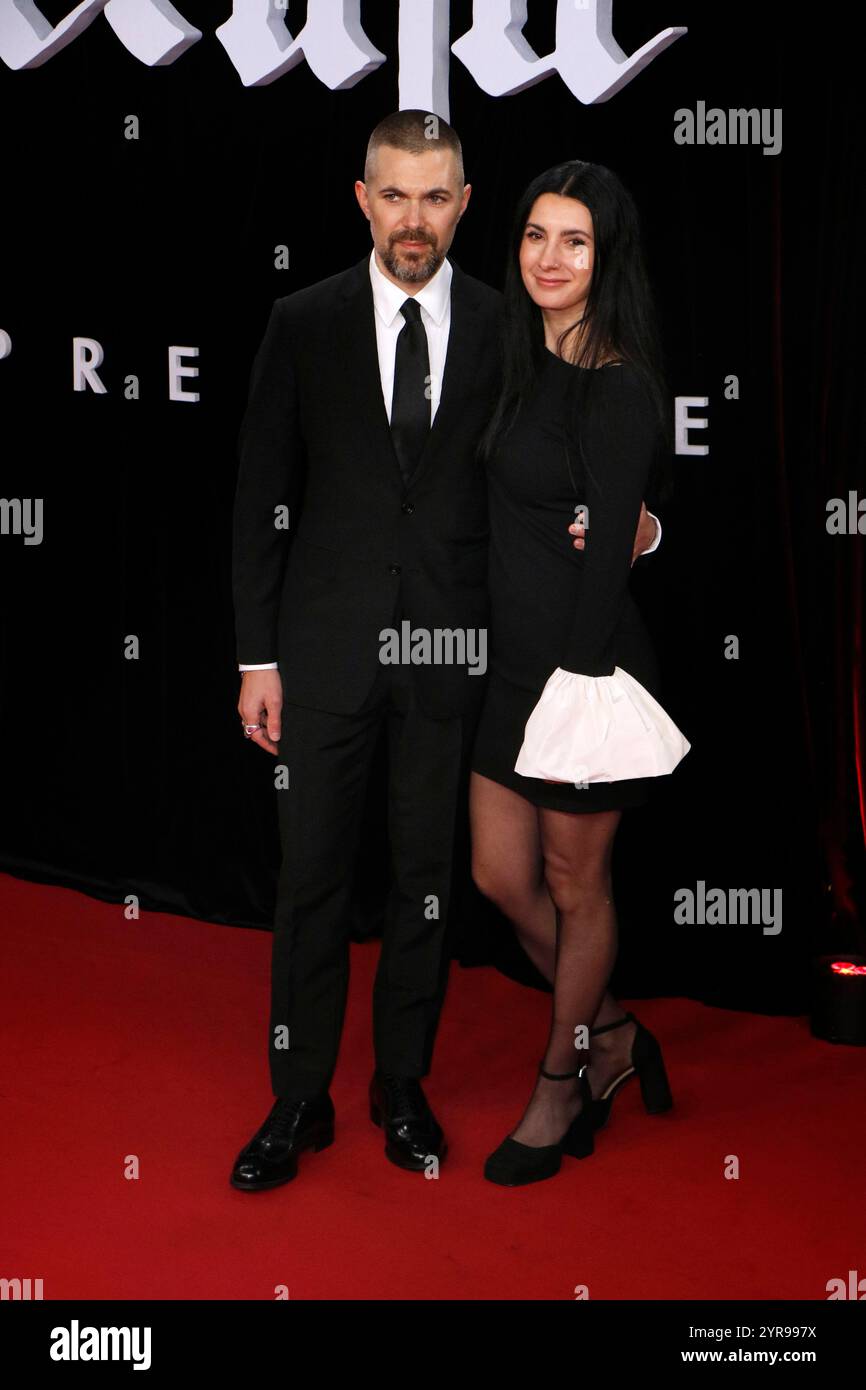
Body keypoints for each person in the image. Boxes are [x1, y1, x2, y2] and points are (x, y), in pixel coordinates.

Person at [229, 114, 660, 1192]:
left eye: (435, 198)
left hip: (455, 654)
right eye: (393, 195)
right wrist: (254, 657)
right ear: (363, 199)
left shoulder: (507, 326)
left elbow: (592, 435)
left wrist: (647, 524)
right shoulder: (303, 319)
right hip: (321, 653)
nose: (413, 218)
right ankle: (297, 1096)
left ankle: (403, 1086)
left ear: (464, 204)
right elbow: (256, 496)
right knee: (311, 881)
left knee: (431, 881)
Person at [470, 160, 690, 1187]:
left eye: (574, 241)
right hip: (507, 669)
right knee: (499, 879)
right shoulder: (513, 355)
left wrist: (574, 684)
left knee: (573, 882)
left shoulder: (619, 387)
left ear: (607, 259)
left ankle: (561, 1078)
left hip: (581, 670)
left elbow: (607, 558)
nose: (547, 259)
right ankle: (611, 1029)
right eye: (533, 236)